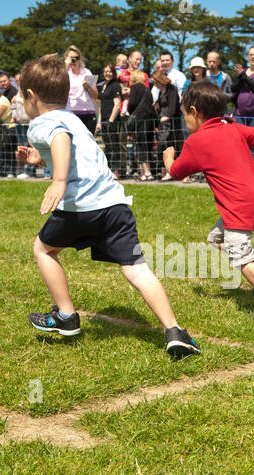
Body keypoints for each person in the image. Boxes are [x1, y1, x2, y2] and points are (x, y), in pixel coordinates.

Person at [14, 53, 202, 358]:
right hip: (115, 204)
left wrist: (59, 180)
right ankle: (174, 331)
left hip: (80, 205)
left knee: (43, 249)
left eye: (22, 96)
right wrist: (39, 159)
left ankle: (65, 316)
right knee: (136, 269)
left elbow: (60, 140)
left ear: (32, 96)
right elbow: (71, 147)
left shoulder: (40, 124)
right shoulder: (74, 118)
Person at [164, 82, 254, 319]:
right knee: (216, 239)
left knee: (239, 256)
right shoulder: (234, 128)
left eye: (185, 114)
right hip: (251, 198)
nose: (185, 120)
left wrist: (168, 157)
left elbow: (176, 172)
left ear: (195, 112)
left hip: (236, 204)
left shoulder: (197, 141)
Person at [125, 68, 157, 181]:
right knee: (147, 145)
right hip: (149, 120)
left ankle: (147, 173)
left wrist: (130, 111)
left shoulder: (134, 88)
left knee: (140, 145)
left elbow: (132, 103)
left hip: (139, 120)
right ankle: (144, 172)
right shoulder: (147, 89)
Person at [151, 69, 181, 181]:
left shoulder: (171, 89)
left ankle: (170, 172)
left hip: (170, 123)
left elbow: (173, 106)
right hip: (162, 123)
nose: (154, 84)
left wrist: (168, 116)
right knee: (162, 147)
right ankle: (165, 172)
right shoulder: (161, 91)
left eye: (155, 82)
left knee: (168, 145)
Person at [96, 64, 125, 174]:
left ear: (113, 73)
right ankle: (108, 171)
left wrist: (111, 121)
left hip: (112, 121)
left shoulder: (115, 86)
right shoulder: (103, 86)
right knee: (107, 146)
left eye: (110, 72)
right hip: (103, 120)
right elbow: (101, 105)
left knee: (114, 146)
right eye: (106, 71)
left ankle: (115, 172)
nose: (108, 74)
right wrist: (99, 121)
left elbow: (117, 105)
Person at [64, 46, 100, 134]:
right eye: (71, 58)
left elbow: (96, 96)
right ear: (66, 59)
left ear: (80, 59)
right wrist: (65, 66)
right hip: (71, 112)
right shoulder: (65, 73)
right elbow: (58, 87)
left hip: (88, 112)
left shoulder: (87, 72)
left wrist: (88, 87)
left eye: (76, 58)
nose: (74, 60)